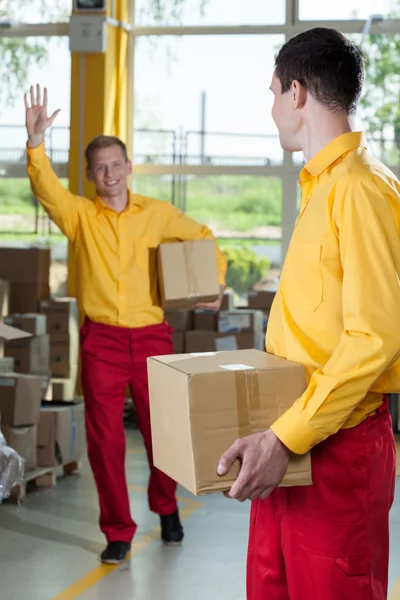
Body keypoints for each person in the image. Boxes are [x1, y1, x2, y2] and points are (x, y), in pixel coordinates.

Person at [218, 27, 399, 600]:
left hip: (334, 449)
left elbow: (375, 337)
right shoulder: (318, 187)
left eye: (272, 94)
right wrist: (278, 434)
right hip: (289, 438)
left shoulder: (361, 190)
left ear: (296, 93)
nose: (271, 110)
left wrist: (287, 438)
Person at [24, 85, 227, 565]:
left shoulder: (156, 214)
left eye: (117, 164)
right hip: (102, 342)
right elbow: (46, 189)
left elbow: (202, 236)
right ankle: (118, 530)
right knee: (106, 442)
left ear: (129, 167)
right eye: (100, 167)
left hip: (153, 336)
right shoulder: (79, 217)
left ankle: (166, 507)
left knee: (165, 434)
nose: (109, 173)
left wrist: (212, 282)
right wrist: (36, 144)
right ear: (91, 175)